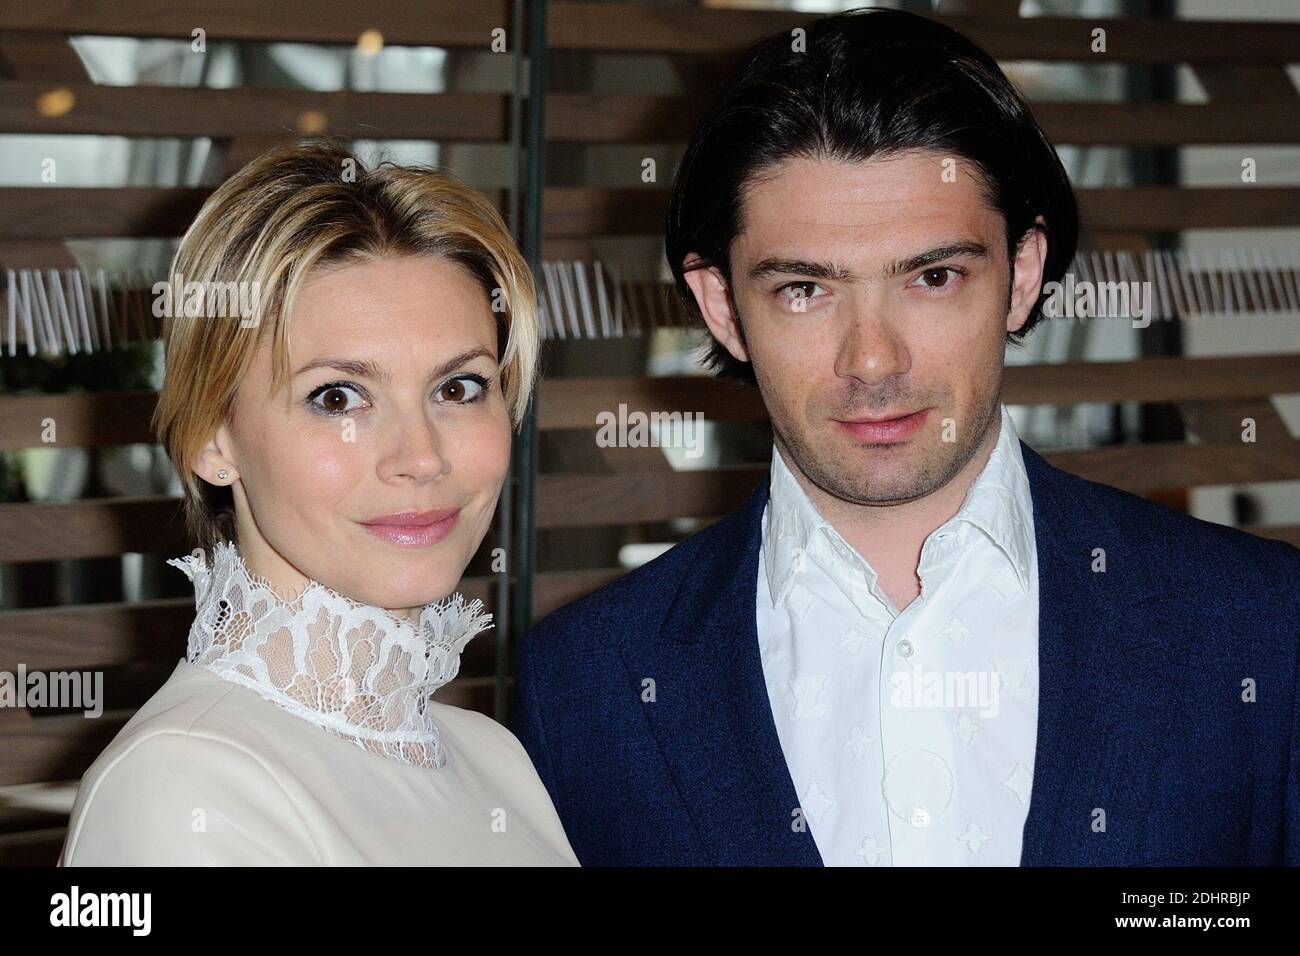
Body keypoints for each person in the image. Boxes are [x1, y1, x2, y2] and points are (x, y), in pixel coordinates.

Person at [513, 7, 1300, 866]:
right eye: (805, 289)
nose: (872, 359)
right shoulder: (584, 685)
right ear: (722, 308)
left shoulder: (1261, 627)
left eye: (933, 277)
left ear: (1022, 276)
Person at [60, 140, 578, 866]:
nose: (422, 456)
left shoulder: (494, 758)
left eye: (458, 388)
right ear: (210, 436)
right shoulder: (182, 784)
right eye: (337, 397)